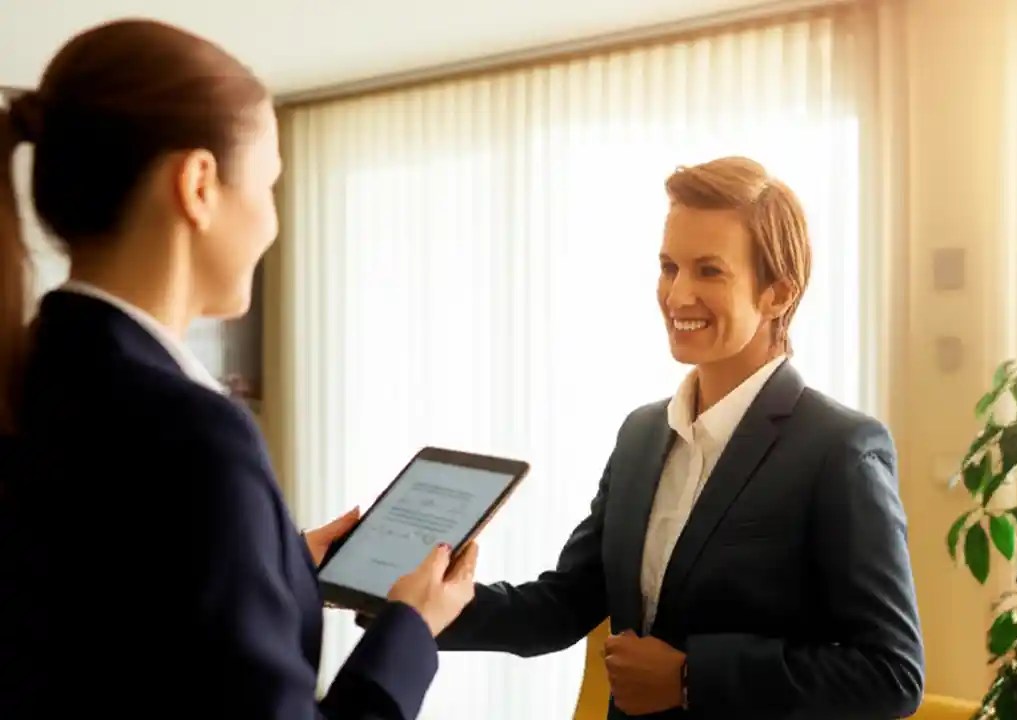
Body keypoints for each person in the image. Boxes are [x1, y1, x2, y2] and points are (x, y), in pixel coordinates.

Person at [0, 18, 477, 719]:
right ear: (198, 184)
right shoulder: (192, 435)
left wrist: (273, 564)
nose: (274, 222)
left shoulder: (39, 374)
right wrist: (409, 631)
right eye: (270, 185)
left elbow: (112, 623)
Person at [432, 156, 926, 718]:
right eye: (669, 267)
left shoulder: (839, 449)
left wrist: (693, 678)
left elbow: (891, 673)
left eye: (709, 271)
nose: (677, 295)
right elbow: (564, 604)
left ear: (779, 294)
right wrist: (419, 608)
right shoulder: (642, 434)